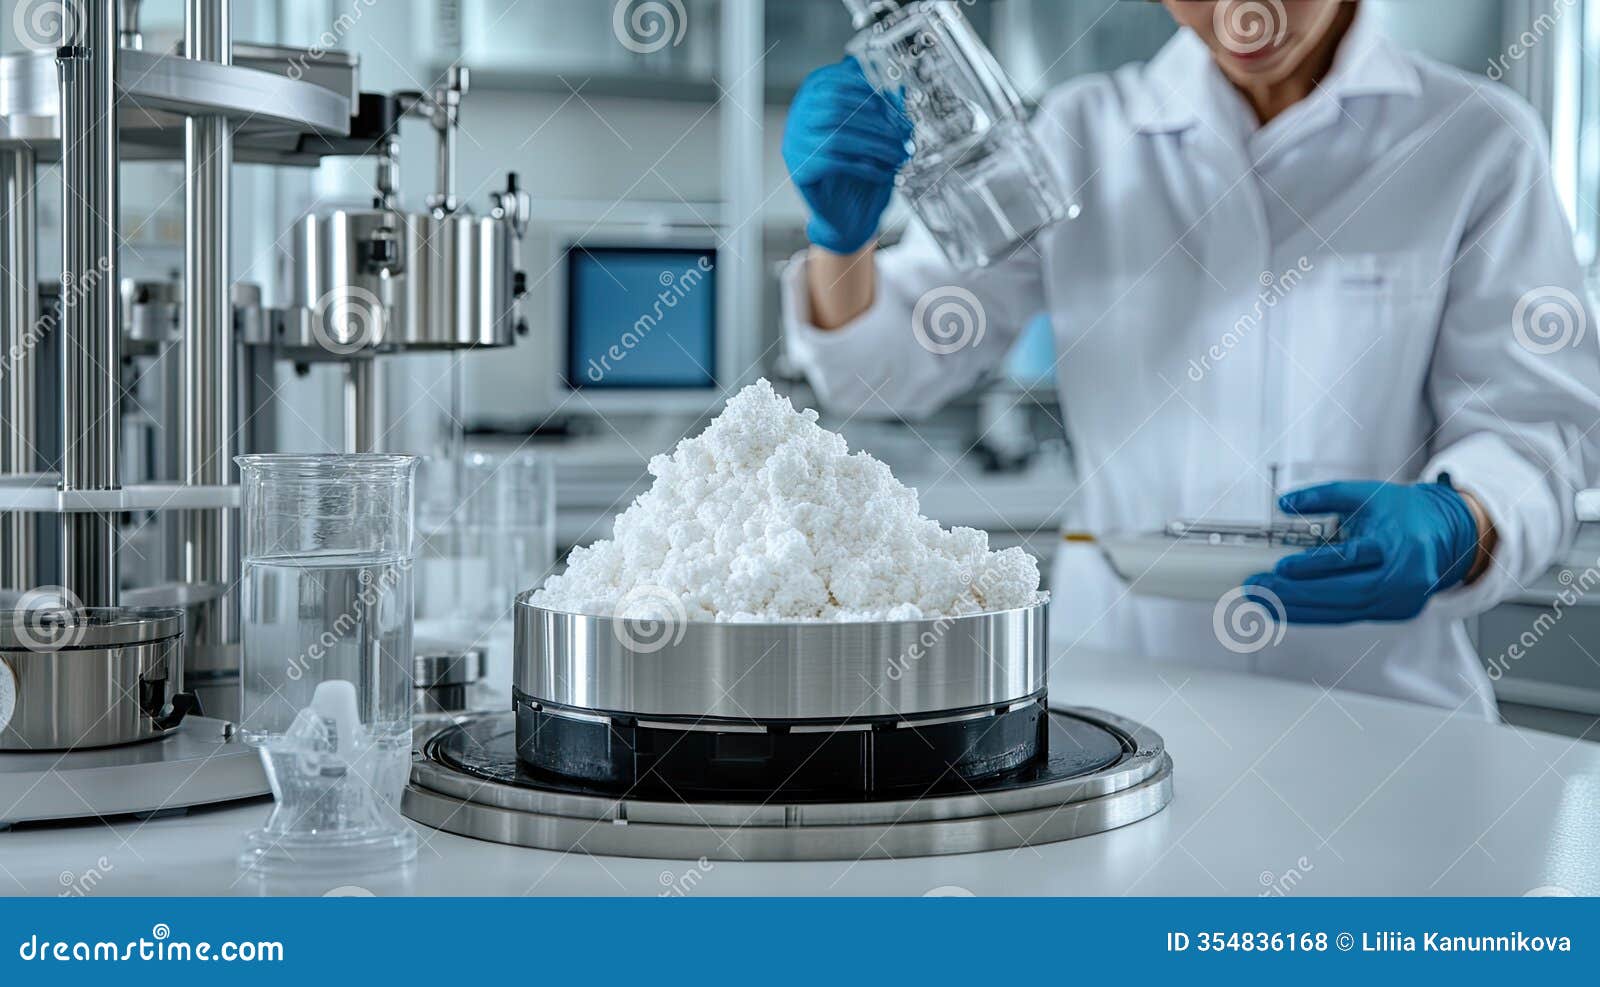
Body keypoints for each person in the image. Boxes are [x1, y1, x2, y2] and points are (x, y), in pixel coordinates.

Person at [779, 0, 1600, 717]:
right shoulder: (1078, 135)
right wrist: (841, 243)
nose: (1245, 13)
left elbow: (1537, 430)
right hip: (1118, 707)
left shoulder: (1475, 141)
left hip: (1385, 707)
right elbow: (881, 370)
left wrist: (1463, 522)